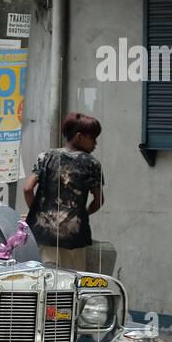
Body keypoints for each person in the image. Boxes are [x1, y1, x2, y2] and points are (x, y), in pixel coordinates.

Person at [22, 112, 104, 270]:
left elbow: (27, 188)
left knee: (45, 281)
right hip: (75, 236)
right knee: (72, 283)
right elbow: (99, 200)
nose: (95, 143)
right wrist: (82, 213)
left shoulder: (46, 157)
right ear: (79, 136)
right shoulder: (92, 164)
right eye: (93, 137)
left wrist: (38, 212)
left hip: (43, 233)